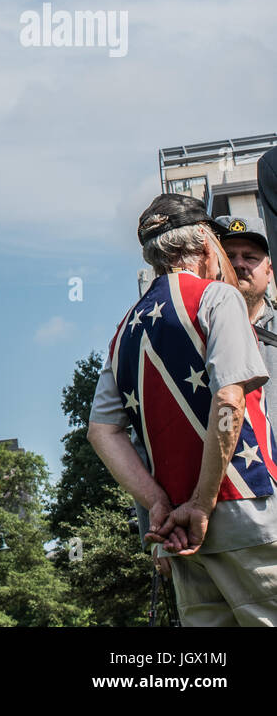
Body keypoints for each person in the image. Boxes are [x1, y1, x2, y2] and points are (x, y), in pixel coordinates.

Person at [88, 194, 277, 627]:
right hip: (247, 509)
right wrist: (203, 503)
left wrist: (158, 503)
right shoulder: (217, 298)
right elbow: (229, 400)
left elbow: (101, 431)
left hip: (179, 532)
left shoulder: (124, 330)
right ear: (207, 244)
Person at [216, 216, 277, 429]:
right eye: (228, 256)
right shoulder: (191, 333)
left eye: (250, 257)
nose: (239, 264)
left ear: (269, 271)